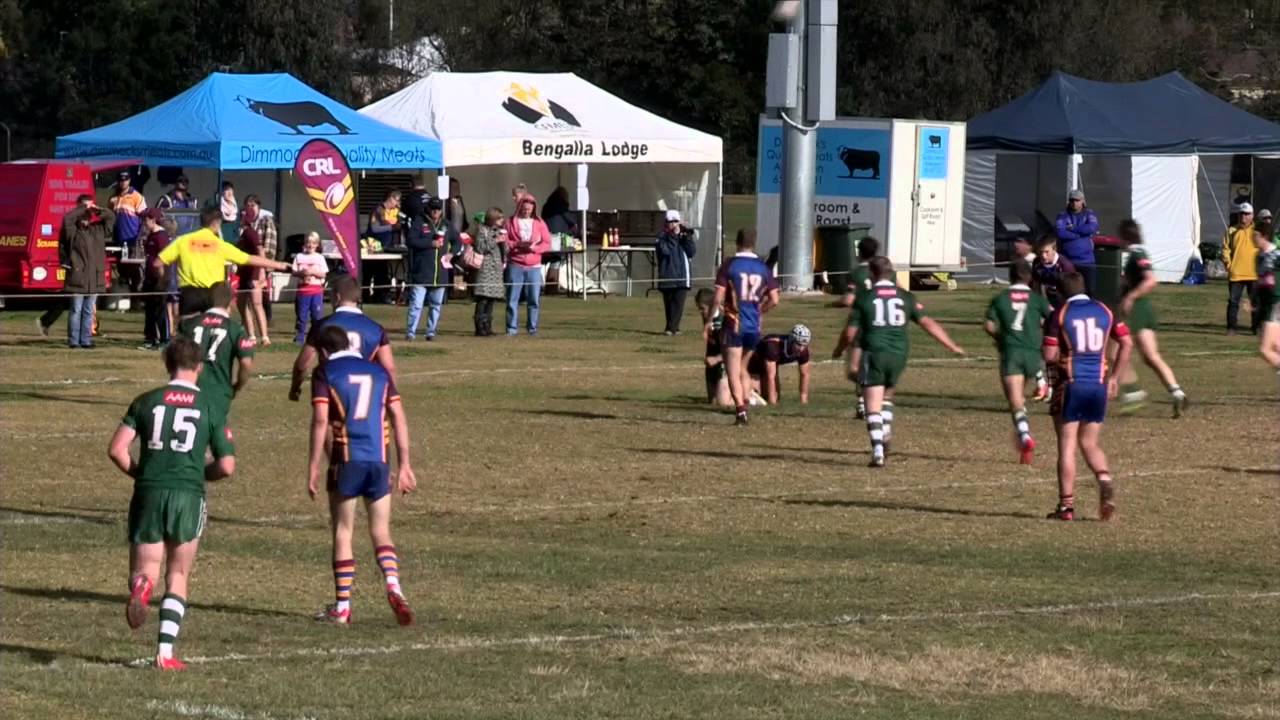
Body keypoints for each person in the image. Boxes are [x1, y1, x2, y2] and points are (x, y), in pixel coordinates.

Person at [107, 337, 236, 670]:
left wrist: (141, 473)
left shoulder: (146, 401)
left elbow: (117, 450)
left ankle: (141, 587)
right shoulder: (210, 405)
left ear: (167, 364)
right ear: (200, 368)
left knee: (147, 569)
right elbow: (226, 465)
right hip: (187, 494)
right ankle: (164, 653)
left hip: (149, 490)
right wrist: (200, 474)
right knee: (177, 574)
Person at [308, 325, 417, 626]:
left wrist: (313, 466)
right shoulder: (379, 372)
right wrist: (405, 464)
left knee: (343, 531)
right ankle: (394, 585)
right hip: (379, 461)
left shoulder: (325, 372)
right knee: (381, 531)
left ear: (324, 351)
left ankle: (342, 606)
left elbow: (320, 422)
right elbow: (398, 417)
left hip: (347, 460)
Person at [833, 257, 965, 467]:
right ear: (891, 273)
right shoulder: (905, 297)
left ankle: (878, 449)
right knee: (886, 398)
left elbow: (850, 334)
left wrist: (839, 350)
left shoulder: (865, 298)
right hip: (899, 355)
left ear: (872, 274)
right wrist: (951, 345)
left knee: (872, 405)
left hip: (874, 352)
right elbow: (927, 323)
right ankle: (885, 434)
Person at [1042, 271, 1133, 521]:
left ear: (1060, 292)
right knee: (1090, 442)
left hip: (1071, 384)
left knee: (1067, 445)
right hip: (1098, 384)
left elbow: (1050, 355)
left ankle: (1066, 507)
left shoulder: (1059, 314)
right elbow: (1126, 342)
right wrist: (1114, 377)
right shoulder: (1105, 310)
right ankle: (1104, 479)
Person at [1114, 219, 1189, 417]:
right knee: (1150, 356)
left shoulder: (1137, 254)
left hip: (1137, 309)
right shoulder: (1138, 253)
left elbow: (1150, 280)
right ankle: (1176, 392)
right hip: (1144, 308)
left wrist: (1130, 296)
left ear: (1124, 236)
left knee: (1114, 351)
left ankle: (1133, 393)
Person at [159, 206, 289, 314]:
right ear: (216, 223)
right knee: (211, 331)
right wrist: (280, 265)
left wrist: (164, 278)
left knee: (188, 334)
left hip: (189, 294)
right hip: (213, 295)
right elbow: (250, 259)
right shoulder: (219, 245)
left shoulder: (183, 241)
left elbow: (158, 262)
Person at [288, 275, 397, 402]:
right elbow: (389, 367)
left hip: (332, 392)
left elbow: (303, 364)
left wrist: (295, 388)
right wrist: (392, 398)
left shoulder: (322, 326)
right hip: (365, 396)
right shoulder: (376, 329)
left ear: (337, 297)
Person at [984, 261, 1051, 464]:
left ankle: (1025, 436)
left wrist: (999, 338)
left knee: (1015, 401)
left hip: (1012, 353)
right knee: (1020, 397)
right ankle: (1041, 381)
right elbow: (1051, 318)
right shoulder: (1037, 299)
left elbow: (988, 325)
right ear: (1029, 278)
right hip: (1033, 356)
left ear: (1009, 276)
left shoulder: (1000, 299)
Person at [712, 229, 780, 426]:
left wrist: (709, 320)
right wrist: (760, 311)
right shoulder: (763, 267)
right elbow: (775, 299)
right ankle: (746, 403)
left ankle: (741, 411)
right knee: (743, 367)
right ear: (754, 243)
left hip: (734, 323)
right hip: (754, 326)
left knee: (732, 369)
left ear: (737, 243)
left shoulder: (729, 265)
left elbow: (717, 297)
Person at [177, 282, 255, 425]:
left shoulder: (188, 324)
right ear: (232, 301)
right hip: (219, 391)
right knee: (215, 435)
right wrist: (238, 385)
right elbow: (246, 363)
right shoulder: (236, 329)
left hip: (186, 388)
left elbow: (174, 355)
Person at [59, 194, 115, 348]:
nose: (86, 213)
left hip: (94, 278)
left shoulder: (98, 230)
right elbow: (67, 219)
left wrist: (97, 209)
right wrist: (82, 208)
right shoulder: (72, 231)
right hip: (78, 276)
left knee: (89, 310)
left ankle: (86, 340)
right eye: (84, 208)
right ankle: (74, 340)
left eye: (88, 209)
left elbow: (111, 217)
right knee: (76, 309)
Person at [405, 197, 460, 341]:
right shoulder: (419, 221)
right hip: (422, 271)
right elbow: (411, 240)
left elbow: (458, 242)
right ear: (429, 208)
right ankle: (411, 332)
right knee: (416, 305)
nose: (436, 212)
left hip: (440, 273)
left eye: (438, 209)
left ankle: (431, 332)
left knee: (436, 305)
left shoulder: (447, 224)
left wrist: (451, 253)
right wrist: (430, 243)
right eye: (433, 209)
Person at [839, 235, 881, 418]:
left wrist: (833, 303)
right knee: (872, 366)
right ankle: (869, 402)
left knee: (854, 370)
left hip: (861, 325)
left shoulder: (856, 273)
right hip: (882, 324)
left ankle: (864, 403)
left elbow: (849, 300)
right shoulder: (884, 271)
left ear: (859, 252)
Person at [505, 194, 551, 336]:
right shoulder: (510, 222)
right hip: (516, 263)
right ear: (519, 208)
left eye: (529, 209)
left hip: (534, 265)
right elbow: (505, 240)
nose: (526, 211)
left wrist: (534, 249)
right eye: (524, 209)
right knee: (513, 298)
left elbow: (547, 243)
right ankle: (512, 328)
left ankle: (532, 328)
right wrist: (517, 244)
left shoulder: (539, 223)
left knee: (534, 299)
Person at [655, 210, 697, 335]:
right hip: (667, 274)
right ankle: (671, 327)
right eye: (670, 222)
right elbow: (665, 251)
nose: (673, 224)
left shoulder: (683, 235)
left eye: (675, 221)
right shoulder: (661, 237)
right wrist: (673, 237)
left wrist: (687, 238)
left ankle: (672, 328)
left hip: (683, 275)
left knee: (678, 304)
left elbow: (692, 252)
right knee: (669, 304)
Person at [748, 324, 812, 405]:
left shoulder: (803, 351)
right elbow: (770, 377)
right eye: (798, 344)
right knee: (754, 396)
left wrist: (804, 400)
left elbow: (805, 374)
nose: (801, 348)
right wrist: (772, 403)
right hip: (754, 361)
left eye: (804, 345)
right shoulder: (773, 346)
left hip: (773, 362)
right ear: (791, 340)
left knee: (774, 397)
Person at [139, 209, 175, 350]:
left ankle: (165, 339)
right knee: (149, 310)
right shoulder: (150, 236)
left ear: (153, 220)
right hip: (149, 277)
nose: (144, 223)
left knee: (160, 310)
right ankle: (150, 338)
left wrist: (162, 278)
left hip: (160, 279)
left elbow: (164, 259)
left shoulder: (161, 237)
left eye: (145, 220)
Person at [1222, 202, 1259, 335]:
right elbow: (1225, 250)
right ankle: (1231, 328)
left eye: (1247, 214)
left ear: (1252, 215)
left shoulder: (1257, 231)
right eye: (1242, 213)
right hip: (1236, 274)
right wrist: (1229, 265)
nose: (1244, 216)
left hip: (1254, 274)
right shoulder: (1231, 231)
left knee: (1255, 302)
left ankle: (1256, 328)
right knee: (1233, 302)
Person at [242, 195, 280, 322]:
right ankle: (249, 319)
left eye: (252, 205)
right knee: (249, 292)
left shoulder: (266, 220)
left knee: (262, 291)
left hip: (263, 261)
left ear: (258, 206)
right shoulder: (245, 222)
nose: (249, 208)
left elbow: (270, 243)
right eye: (247, 205)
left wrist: (265, 263)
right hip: (249, 262)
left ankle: (266, 316)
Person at [1054, 189, 1099, 295]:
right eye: (1072, 200)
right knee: (1068, 291)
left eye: (1077, 200)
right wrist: (1080, 234)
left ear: (1082, 201)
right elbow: (1060, 233)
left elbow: (1092, 227)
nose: (1074, 203)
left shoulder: (1089, 214)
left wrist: (1073, 229)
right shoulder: (1062, 215)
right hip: (1068, 262)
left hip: (1087, 262)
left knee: (1089, 291)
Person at [471, 208, 508, 336]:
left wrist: (504, 242)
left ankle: (488, 326)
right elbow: (480, 248)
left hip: (496, 270)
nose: (502, 221)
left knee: (492, 300)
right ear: (493, 218)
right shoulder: (483, 230)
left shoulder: (498, 231)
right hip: (486, 269)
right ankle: (479, 326)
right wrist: (495, 240)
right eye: (499, 218)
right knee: (483, 299)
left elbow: (505, 250)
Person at [695, 289, 733, 407]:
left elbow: (732, 350)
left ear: (712, 305)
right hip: (711, 362)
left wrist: (717, 359)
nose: (700, 312)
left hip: (724, 362)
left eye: (702, 308)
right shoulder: (707, 319)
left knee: (723, 403)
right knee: (712, 401)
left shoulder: (724, 320)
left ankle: (748, 396)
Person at [235, 225, 271, 345]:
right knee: (242, 304)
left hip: (253, 274)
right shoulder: (240, 236)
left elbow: (260, 250)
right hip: (243, 274)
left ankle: (264, 337)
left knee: (257, 304)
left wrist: (262, 272)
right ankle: (251, 335)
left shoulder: (249, 232)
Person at [292, 232, 329, 344]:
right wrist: (302, 273)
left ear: (317, 244)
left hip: (316, 291)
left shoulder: (320, 258)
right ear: (305, 243)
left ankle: (316, 337)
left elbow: (324, 274)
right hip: (303, 291)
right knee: (302, 315)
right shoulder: (299, 257)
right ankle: (300, 337)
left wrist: (313, 272)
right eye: (308, 242)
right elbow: (294, 272)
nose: (310, 245)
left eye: (313, 243)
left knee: (316, 315)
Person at [1253, 222, 1280, 369]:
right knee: (1275, 348)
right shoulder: (1258, 257)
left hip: (1276, 304)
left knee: (1265, 350)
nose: (1253, 238)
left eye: (1255, 235)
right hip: (1266, 305)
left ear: (1264, 236)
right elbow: (1259, 281)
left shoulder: (1277, 256)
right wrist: (1254, 299)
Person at [1031, 234, 1076, 310]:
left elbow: (1070, 291)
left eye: (1046, 252)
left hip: (1063, 301)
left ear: (1054, 250)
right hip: (1045, 299)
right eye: (1041, 252)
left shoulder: (1066, 266)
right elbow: (1036, 285)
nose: (1043, 256)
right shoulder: (1037, 262)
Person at [110, 171, 147, 256]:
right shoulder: (113, 198)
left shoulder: (137, 196)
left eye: (125, 180)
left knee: (132, 267)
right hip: (117, 239)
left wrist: (140, 237)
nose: (123, 182)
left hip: (132, 239)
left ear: (129, 180)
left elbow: (144, 218)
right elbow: (111, 217)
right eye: (121, 180)